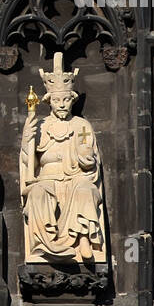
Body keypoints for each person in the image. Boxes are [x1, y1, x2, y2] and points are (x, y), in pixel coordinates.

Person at [19, 53, 107, 263]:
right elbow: (29, 163)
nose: (61, 104)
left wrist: (87, 160)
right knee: (38, 193)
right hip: (47, 180)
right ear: (49, 101)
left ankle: (83, 238)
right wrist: (26, 140)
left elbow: (90, 157)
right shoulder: (40, 126)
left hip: (76, 178)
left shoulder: (81, 125)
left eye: (66, 100)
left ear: (71, 101)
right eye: (57, 100)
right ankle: (45, 243)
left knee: (87, 190)